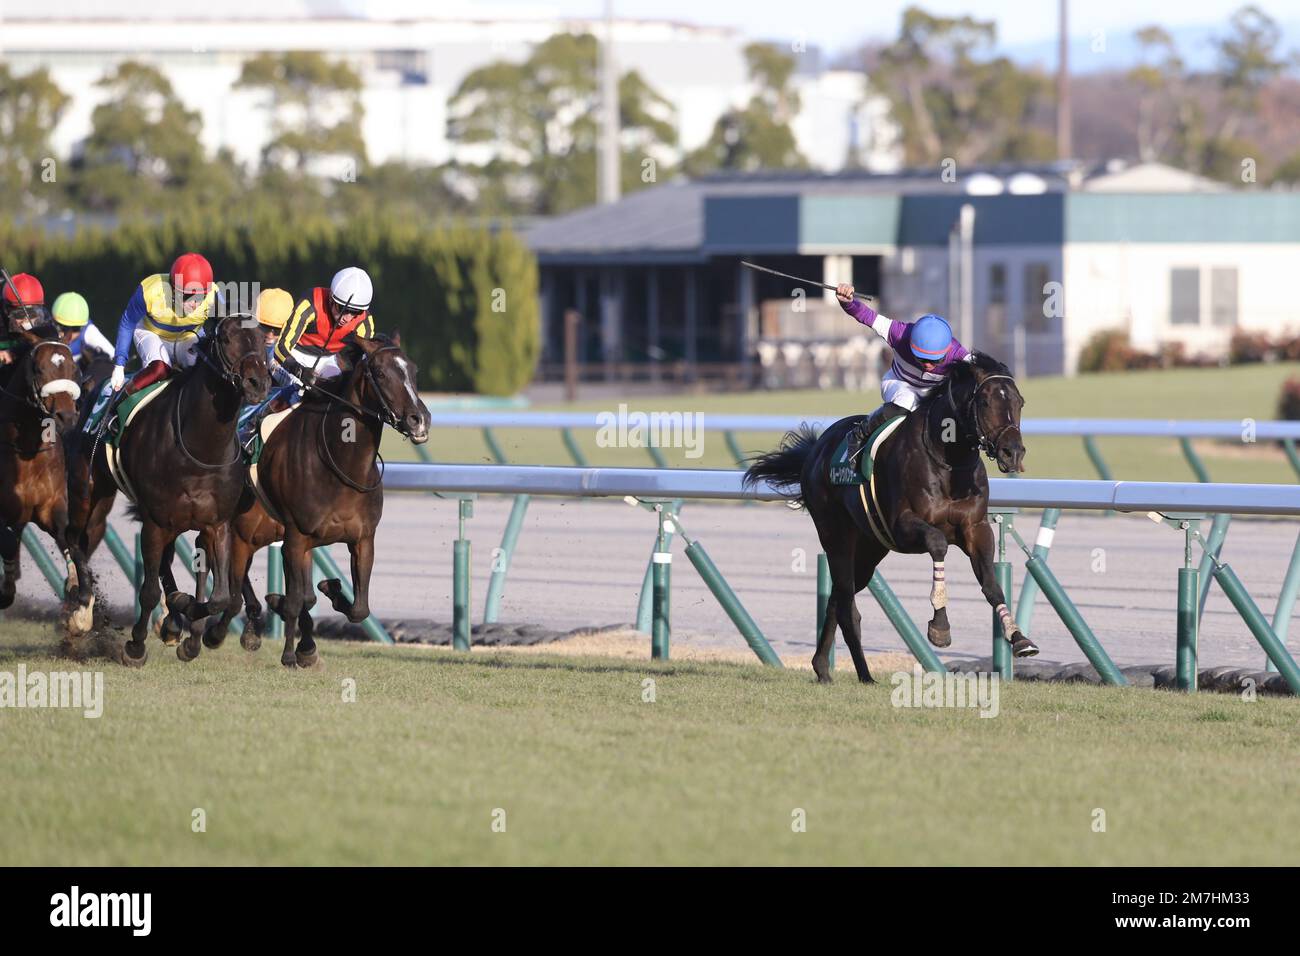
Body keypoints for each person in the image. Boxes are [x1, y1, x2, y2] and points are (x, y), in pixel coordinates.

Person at [836, 282, 975, 459]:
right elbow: (867, 316)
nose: (928, 365)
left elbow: (985, 370)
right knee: (908, 399)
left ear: (946, 352)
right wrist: (848, 302)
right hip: (899, 383)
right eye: (922, 358)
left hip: (932, 395)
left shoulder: (956, 352)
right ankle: (859, 433)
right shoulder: (900, 333)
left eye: (935, 360)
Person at [109, 252, 219, 397]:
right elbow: (128, 322)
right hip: (151, 333)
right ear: (173, 289)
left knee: (203, 370)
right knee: (159, 369)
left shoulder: (214, 295)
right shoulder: (151, 291)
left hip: (187, 336)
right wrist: (119, 364)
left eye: (201, 296)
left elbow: (226, 328)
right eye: (188, 296)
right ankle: (118, 402)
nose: (195, 303)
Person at [275, 267, 375, 385]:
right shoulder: (310, 304)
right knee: (297, 385)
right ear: (331, 298)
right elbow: (281, 347)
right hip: (294, 355)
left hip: (329, 361)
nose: (347, 318)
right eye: (343, 309)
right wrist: (298, 370)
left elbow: (364, 362)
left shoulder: (364, 322)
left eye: (355, 312)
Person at [51, 292, 114, 370]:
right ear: (53, 322)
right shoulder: (47, 328)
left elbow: (113, 355)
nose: (69, 334)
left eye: (75, 328)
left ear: (82, 326)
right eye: (63, 328)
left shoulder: (88, 331)